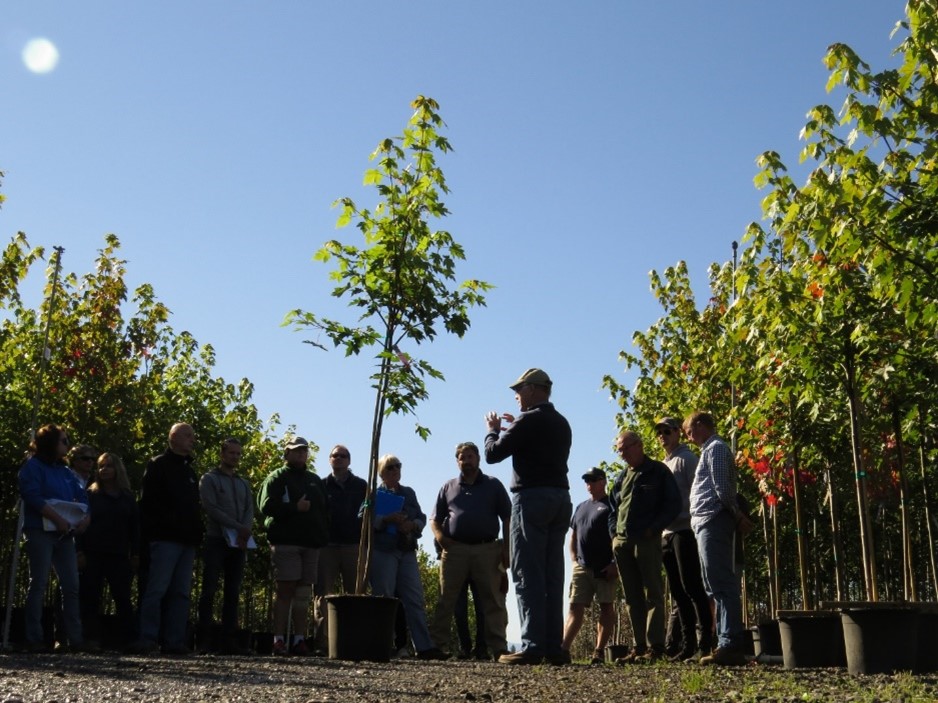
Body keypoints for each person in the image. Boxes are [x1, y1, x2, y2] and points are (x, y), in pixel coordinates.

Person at [484, 368, 572, 666]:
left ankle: (532, 645)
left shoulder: (528, 420)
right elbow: (535, 442)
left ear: (533, 390)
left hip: (531, 499)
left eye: (519, 390)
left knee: (526, 572)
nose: (517, 396)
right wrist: (516, 427)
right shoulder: (561, 422)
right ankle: (552, 646)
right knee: (552, 573)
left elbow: (493, 454)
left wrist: (494, 430)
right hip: (560, 499)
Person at [429, 441, 511, 660]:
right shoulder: (448, 487)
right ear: (457, 462)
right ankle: (437, 646)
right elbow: (434, 519)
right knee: (446, 600)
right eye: (462, 458)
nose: (466, 461)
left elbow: (507, 517)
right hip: (455, 551)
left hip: (487, 549)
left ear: (478, 458)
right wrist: (440, 538)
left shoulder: (493, 485)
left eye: (470, 456)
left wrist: (507, 549)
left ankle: (498, 648)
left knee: (493, 600)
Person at [684, 411, 754, 667]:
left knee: (722, 582)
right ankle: (725, 642)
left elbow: (723, 489)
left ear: (701, 425)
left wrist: (735, 515)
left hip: (714, 519)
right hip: (705, 522)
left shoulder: (716, 449)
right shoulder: (709, 451)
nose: (689, 438)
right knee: (714, 583)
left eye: (690, 431)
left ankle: (730, 644)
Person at [130, 422, 204, 655]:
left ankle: (174, 641)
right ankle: (148, 637)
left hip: (187, 541)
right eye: (187, 435)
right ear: (173, 437)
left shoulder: (189, 471)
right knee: (157, 589)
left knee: (181, 592)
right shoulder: (158, 465)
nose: (192, 439)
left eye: (193, 436)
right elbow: (148, 504)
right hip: (164, 539)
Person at [608, 430, 680, 662]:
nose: (623, 454)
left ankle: (655, 647)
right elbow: (612, 508)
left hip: (646, 539)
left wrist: (654, 528)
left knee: (653, 593)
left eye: (625, 448)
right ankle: (639, 647)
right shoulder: (621, 477)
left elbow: (673, 504)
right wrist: (614, 536)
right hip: (622, 542)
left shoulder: (657, 471)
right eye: (619, 450)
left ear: (638, 445)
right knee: (631, 596)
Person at [367, 453, 447, 660]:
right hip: (383, 550)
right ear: (382, 473)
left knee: (414, 598)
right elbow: (363, 519)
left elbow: (420, 517)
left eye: (398, 466)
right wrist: (385, 519)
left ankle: (424, 647)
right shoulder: (374, 495)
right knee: (384, 598)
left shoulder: (409, 493)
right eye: (390, 467)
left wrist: (412, 525)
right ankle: (383, 644)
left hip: (406, 549)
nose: (395, 471)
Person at [17, 424, 90, 652]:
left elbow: (82, 497)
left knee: (71, 585)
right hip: (41, 530)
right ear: (50, 443)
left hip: (65, 534)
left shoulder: (66, 472)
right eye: (63, 441)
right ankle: (34, 637)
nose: (67, 445)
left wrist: (85, 518)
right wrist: (57, 518)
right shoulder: (33, 467)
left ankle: (74, 639)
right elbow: (32, 496)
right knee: (38, 583)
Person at [257, 436, 328, 656]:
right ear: (286, 453)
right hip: (286, 542)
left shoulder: (314, 480)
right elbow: (265, 507)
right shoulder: (276, 477)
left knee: (304, 594)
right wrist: (294, 508)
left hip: (310, 544)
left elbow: (325, 510)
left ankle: (299, 640)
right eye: (296, 450)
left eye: (303, 451)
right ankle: (278, 640)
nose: (300, 454)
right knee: (285, 590)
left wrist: (321, 534)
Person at [656, 416, 713, 661]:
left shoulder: (688, 459)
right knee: (678, 592)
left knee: (693, 588)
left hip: (685, 530)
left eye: (667, 431)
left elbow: (699, 489)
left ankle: (705, 644)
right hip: (665, 534)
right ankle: (686, 646)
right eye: (659, 432)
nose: (663, 436)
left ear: (679, 432)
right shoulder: (662, 464)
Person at [196, 437, 254, 655]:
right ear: (222, 454)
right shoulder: (209, 479)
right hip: (216, 539)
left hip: (238, 542)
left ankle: (229, 640)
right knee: (209, 590)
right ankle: (204, 640)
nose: (235, 457)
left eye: (238, 454)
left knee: (233, 591)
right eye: (232, 453)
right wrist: (238, 527)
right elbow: (211, 508)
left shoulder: (242, 483)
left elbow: (250, 508)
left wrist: (244, 529)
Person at [77, 453, 139, 650]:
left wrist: (135, 553)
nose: (104, 470)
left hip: (118, 554)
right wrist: (79, 551)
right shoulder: (90, 495)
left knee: (122, 596)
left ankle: (129, 640)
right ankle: (91, 638)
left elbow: (135, 529)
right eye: (101, 466)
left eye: (109, 466)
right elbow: (80, 524)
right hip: (93, 552)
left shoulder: (128, 498)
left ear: (117, 470)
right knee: (90, 596)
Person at [313, 444, 367, 654]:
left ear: (349, 460)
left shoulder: (361, 485)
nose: (339, 459)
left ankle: (352, 641)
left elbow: (367, 512)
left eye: (343, 456)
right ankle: (322, 643)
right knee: (322, 594)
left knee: (355, 594)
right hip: (327, 545)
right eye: (335, 456)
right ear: (329, 460)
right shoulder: (321, 484)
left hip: (353, 545)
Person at [560, 467, 617, 665]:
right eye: (587, 480)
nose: (589, 484)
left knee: (606, 607)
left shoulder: (611, 505)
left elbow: (618, 537)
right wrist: (574, 558)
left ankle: (599, 652)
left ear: (603, 481)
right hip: (581, 567)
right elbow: (574, 534)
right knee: (575, 606)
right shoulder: (581, 507)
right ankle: (564, 649)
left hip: (604, 567)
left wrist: (614, 564)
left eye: (593, 480)